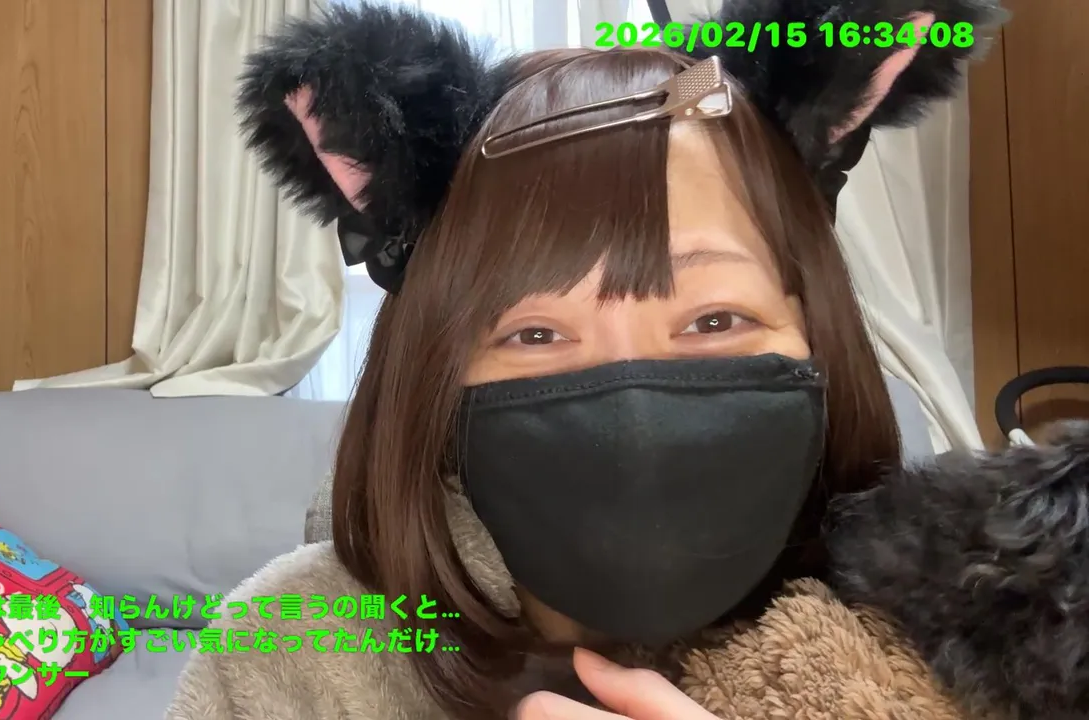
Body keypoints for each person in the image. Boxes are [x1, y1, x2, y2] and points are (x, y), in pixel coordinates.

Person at [167, 1, 1089, 719]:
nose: (634, 400)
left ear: (816, 332)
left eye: (715, 318)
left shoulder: (987, 625)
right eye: (534, 334)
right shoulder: (299, 649)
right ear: (438, 371)